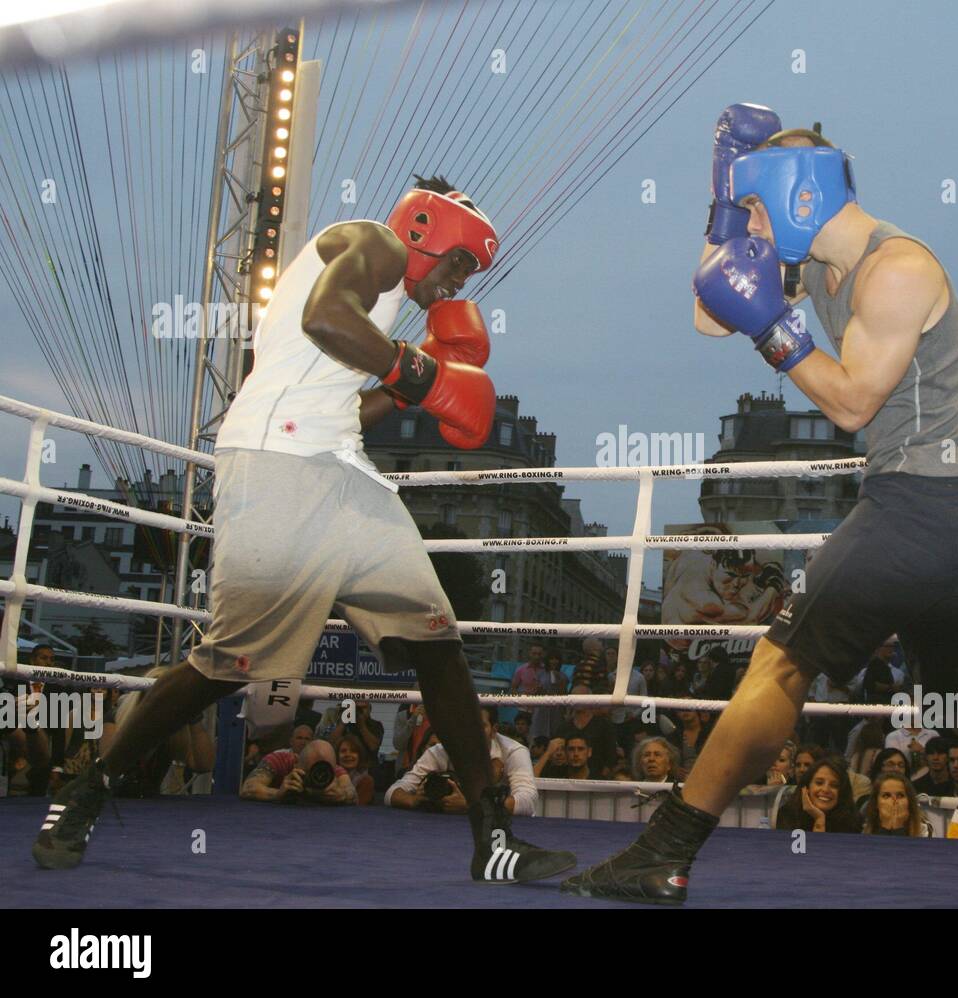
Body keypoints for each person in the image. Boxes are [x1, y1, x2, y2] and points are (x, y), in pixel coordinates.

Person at [562, 104, 958, 908]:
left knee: (780, 661)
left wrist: (775, 332)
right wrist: (721, 203)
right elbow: (712, 312)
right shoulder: (819, 264)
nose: (748, 224)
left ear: (797, 194)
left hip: (923, 503)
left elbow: (849, 404)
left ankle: (664, 854)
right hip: (942, 512)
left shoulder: (899, 268)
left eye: (754, 205)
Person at [33, 174, 574, 885]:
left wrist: (430, 381)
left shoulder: (382, 304)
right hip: (276, 462)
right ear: (423, 232)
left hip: (342, 470)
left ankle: (492, 839)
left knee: (437, 642)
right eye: (460, 264)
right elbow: (324, 318)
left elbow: (348, 404)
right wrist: (420, 373)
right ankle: (86, 788)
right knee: (230, 661)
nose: (457, 284)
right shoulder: (371, 243)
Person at [387, 707, 538, 817]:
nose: (472, 732)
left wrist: (471, 806)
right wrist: (414, 800)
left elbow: (527, 802)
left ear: (493, 730)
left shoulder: (514, 751)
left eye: (480, 726)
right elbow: (391, 793)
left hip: (502, 831)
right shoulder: (440, 751)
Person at [774, 757, 862, 834]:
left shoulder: (853, 822)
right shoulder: (787, 815)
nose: (825, 789)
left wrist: (819, 819)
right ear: (806, 787)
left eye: (834, 785)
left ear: (842, 793)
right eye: (819, 783)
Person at [862, 773, 932, 836]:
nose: (894, 801)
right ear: (876, 803)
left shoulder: (924, 830)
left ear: (909, 802)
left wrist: (898, 826)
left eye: (900, 795)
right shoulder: (864, 829)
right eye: (886, 795)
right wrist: (885, 826)